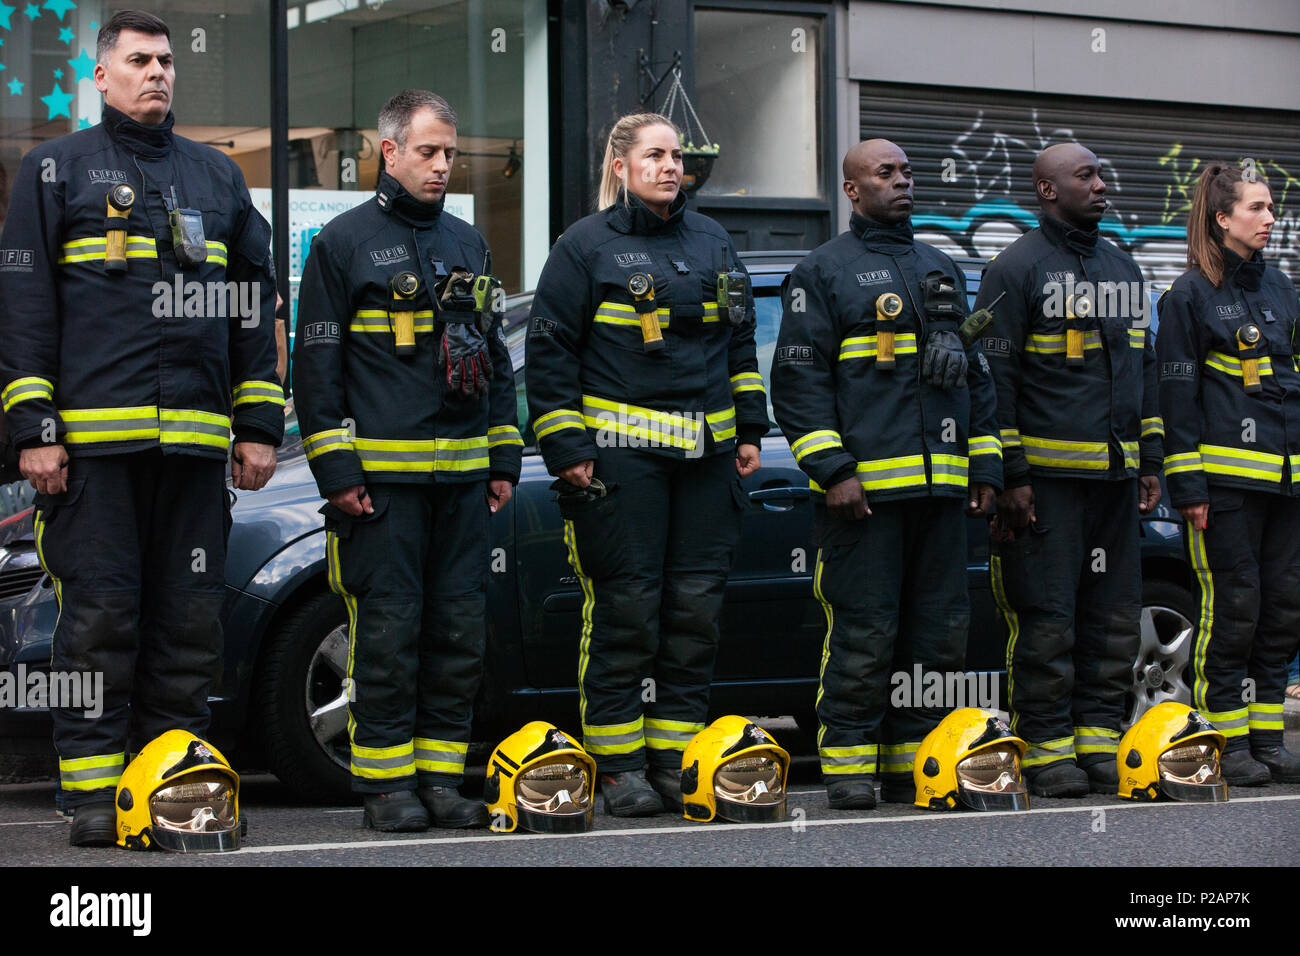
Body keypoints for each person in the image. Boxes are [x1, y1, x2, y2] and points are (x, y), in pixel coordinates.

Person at [0, 10, 283, 846]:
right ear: (102, 74)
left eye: (165, 60)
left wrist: (258, 423)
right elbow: (22, 309)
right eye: (138, 60)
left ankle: (173, 781)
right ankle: (89, 794)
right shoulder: (54, 171)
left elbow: (252, 309)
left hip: (194, 450)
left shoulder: (218, 179)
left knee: (188, 621)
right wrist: (34, 427)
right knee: (97, 623)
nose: (157, 72)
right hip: (92, 452)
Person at [292, 89, 521, 831]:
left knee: (456, 636)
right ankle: (387, 788)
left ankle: (442, 782)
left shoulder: (468, 243)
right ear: (388, 152)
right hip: (381, 494)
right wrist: (338, 473)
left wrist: (503, 458)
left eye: (451, 153)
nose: (442, 166)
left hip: (460, 488)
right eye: (428, 151)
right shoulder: (342, 244)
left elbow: (493, 357)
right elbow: (316, 371)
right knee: (386, 639)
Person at [525, 113, 766, 815]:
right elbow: (549, 354)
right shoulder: (583, 247)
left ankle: (674, 759)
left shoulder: (714, 241)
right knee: (628, 612)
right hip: (621, 468)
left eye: (677, 155)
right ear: (620, 167)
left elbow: (741, 346)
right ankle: (619, 765)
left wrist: (749, 426)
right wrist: (567, 449)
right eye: (655, 155)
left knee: (694, 613)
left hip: (708, 466)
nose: (670, 166)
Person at [771, 138, 1001, 810]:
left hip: (943, 497)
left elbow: (978, 377)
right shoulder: (822, 272)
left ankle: (914, 761)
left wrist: (984, 461)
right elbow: (798, 380)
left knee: (938, 635)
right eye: (885, 172)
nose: (902, 180)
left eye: (907, 170)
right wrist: (832, 468)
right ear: (851, 189)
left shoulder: (942, 269)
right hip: (864, 501)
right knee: (865, 631)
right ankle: (847, 765)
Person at [974, 142, 1161, 798]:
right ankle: (1049, 748)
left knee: (1112, 617)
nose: (1101, 184)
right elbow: (995, 377)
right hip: (1045, 491)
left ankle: (1099, 743)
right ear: (1048, 189)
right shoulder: (1014, 267)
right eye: (1086, 175)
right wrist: (1014, 475)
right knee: (1047, 617)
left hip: (1114, 484)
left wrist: (1150, 462)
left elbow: (1146, 373)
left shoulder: (1123, 268)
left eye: (1102, 173)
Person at [1156, 162, 1300, 785]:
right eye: (1258, 208)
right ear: (1222, 219)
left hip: (1287, 485)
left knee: (1283, 609)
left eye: (1272, 209)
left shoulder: (1284, 289)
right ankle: (1225, 740)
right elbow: (1176, 401)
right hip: (1225, 491)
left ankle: (1268, 741)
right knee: (1234, 608)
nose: (1271, 219)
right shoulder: (1188, 297)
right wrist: (1188, 487)